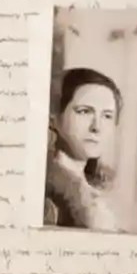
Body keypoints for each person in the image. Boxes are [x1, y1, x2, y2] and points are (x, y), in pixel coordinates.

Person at [44, 67, 123, 231]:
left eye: (107, 116)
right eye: (84, 111)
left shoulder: (97, 187)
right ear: (55, 118)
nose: (97, 127)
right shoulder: (47, 193)